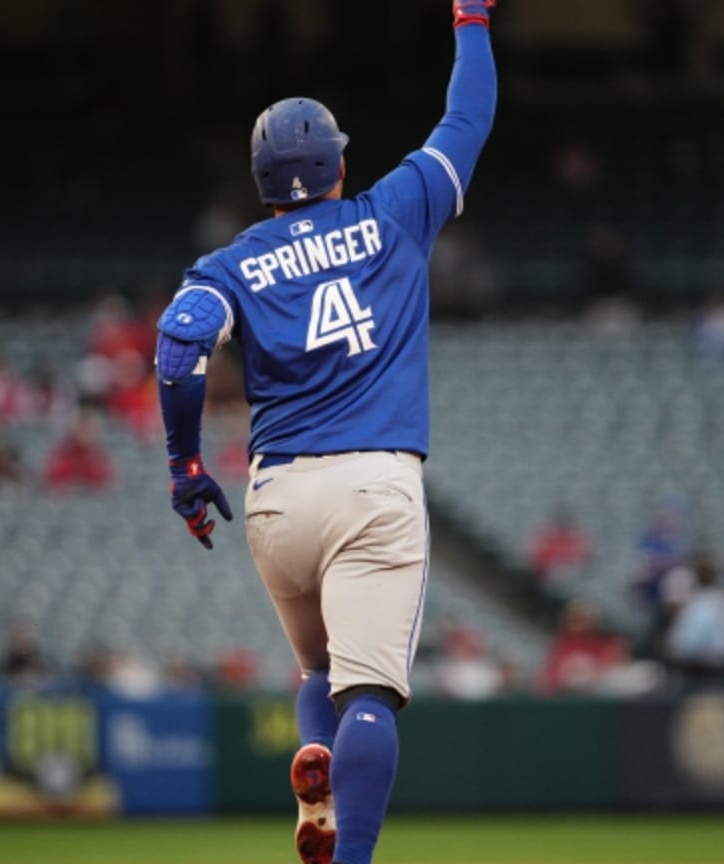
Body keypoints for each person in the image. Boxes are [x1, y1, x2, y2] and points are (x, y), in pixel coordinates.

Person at [153, 4, 496, 862]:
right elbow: (468, 117)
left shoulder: (229, 263)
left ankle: (319, 778)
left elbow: (179, 347)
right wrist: (473, 16)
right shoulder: (395, 212)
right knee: (371, 693)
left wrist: (186, 465)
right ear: (341, 163)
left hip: (278, 500)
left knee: (321, 674)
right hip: (374, 487)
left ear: (264, 181)